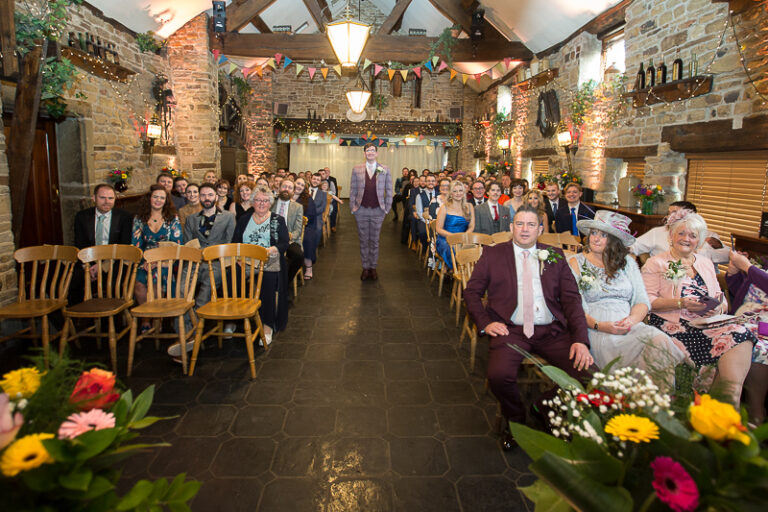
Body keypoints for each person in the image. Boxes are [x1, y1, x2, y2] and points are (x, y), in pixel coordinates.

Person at [464, 205, 593, 450]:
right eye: (520, 224)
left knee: (590, 376)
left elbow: (571, 299)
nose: (524, 229)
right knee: (499, 376)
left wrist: (580, 339)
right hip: (511, 330)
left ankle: (544, 405)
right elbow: (471, 293)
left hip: (552, 331)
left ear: (540, 229)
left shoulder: (554, 254)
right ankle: (516, 420)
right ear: (511, 227)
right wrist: (486, 322)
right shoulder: (493, 254)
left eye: (531, 225)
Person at [642, 209, 755, 406]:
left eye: (693, 235)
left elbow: (720, 296)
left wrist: (718, 309)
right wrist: (682, 303)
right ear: (671, 236)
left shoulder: (706, 263)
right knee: (728, 336)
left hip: (706, 322)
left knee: (741, 333)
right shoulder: (656, 263)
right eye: (681, 233)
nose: (686, 239)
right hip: (673, 324)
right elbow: (646, 301)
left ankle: (729, 400)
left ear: (700, 241)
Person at [569, 211, 687, 388]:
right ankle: (628, 401)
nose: (596, 238)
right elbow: (574, 308)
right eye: (593, 232)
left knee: (659, 342)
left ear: (615, 241)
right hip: (596, 328)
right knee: (618, 348)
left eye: (603, 235)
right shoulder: (575, 263)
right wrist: (601, 325)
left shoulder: (628, 263)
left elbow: (642, 301)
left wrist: (631, 321)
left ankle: (656, 405)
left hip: (629, 325)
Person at [232, 186, 289, 346]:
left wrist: (272, 249)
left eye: (265, 200)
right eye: (258, 200)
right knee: (231, 275)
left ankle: (267, 325)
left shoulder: (278, 220)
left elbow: (284, 243)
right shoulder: (244, 219)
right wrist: (238, 257)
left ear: (270, 203)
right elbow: (235, 241)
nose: (262, 203)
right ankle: (234, 318)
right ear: (252, 202)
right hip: (246, 260)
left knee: (269, 280)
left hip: (268, 260)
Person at [724, 250, 768, 424]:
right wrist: (734, 273)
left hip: (763, 327)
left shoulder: (755, 269)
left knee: (759, 349)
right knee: (731, 339)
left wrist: (748, 267)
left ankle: (755, 413)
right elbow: (741, 294)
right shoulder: (764, 263)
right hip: (744, 320)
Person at [71, 184, 134, 304]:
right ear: (94, 198)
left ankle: (112, 317)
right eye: (102, 198)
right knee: (72, 279)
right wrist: (88, 266)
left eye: (110, 198)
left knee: (117, 280)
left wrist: (103, 266)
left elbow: (124, 245)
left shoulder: (124, 217)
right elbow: (79, 244)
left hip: (113, 261)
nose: (107, 202)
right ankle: (79, 316)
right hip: (89, 260)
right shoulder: (82, 217)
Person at [131, 185, 183, 331]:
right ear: (149, 198)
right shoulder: (139, 219)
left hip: (167, 258)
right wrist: (146, 260)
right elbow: (136, 245)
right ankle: (146, 318)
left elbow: (177, 244)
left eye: (162, 197)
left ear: (166, 201)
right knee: (139, 283)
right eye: (155, 197)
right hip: (146, 258)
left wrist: (159, 261)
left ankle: (157, 318)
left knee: (155, 279)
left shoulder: (172, 218)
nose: (158, 200)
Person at [631, 201, 730, 264]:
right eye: (669, 213)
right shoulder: (658, 232)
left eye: (674, 213)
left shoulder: (709, 236)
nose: (669, 217)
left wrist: (701, 253)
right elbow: (633, 246)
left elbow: (728, 256)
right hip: (666, 276)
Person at [349, 142, 393, 281]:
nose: (370, 152)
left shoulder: (384, 169)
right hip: (361, 210)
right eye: (368, 150)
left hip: (378, 211)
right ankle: (365, 268)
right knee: (363, 240)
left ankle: (373, 267)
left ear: (377, 153)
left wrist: (387, 208)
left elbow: (389, 190)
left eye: (373, 150)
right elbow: (353, 190)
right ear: (364, 153)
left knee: (374, 240)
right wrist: (353, 208)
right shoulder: (357, 169)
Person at [435, 180, 474, 271]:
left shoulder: (469, 206)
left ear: (464, 192)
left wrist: (464, 236)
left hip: (463, 238)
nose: (458, 193)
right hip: (446, 239)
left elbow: (471, 226)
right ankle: (456, 271)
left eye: (460, 191)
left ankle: (469, 273)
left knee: (475, 250)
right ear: (450, 193)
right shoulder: (444, 208)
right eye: (455, 191)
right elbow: (438, 229)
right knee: (452, 250)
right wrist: (454, 237)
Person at [272, 179, 305, 284]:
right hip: (271, 239)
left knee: (298, 256)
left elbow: (298, 229)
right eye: (284, 186)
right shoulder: (270, 203)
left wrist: (288, 236)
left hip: (290, 240)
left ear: (293, 192)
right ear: (279, 188)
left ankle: (285, 284)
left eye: (290, 188)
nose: (286, 189)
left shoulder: (298, 207)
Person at [300, 175, 326, 280]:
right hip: (302, 216)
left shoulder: (322, 194)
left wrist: (312, 212)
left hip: (316, 218)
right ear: (311, 179)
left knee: (318, 229)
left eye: (318, 180)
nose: (315, 181)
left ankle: (311, 250)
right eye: (314, 179)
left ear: (320, 182)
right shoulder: (304, 192)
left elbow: (322, 207)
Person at [414, 175, 437, 248]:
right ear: (426, 182)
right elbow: (420, 213)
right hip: (424, 220)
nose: (431, 182)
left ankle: (438, 253)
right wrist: (428, 222)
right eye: (429, 181)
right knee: (423, 232)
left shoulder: (439, 194)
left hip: (437, 220)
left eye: (432, 181)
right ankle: (426, 250)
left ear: (435, 182)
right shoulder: (419, 196)